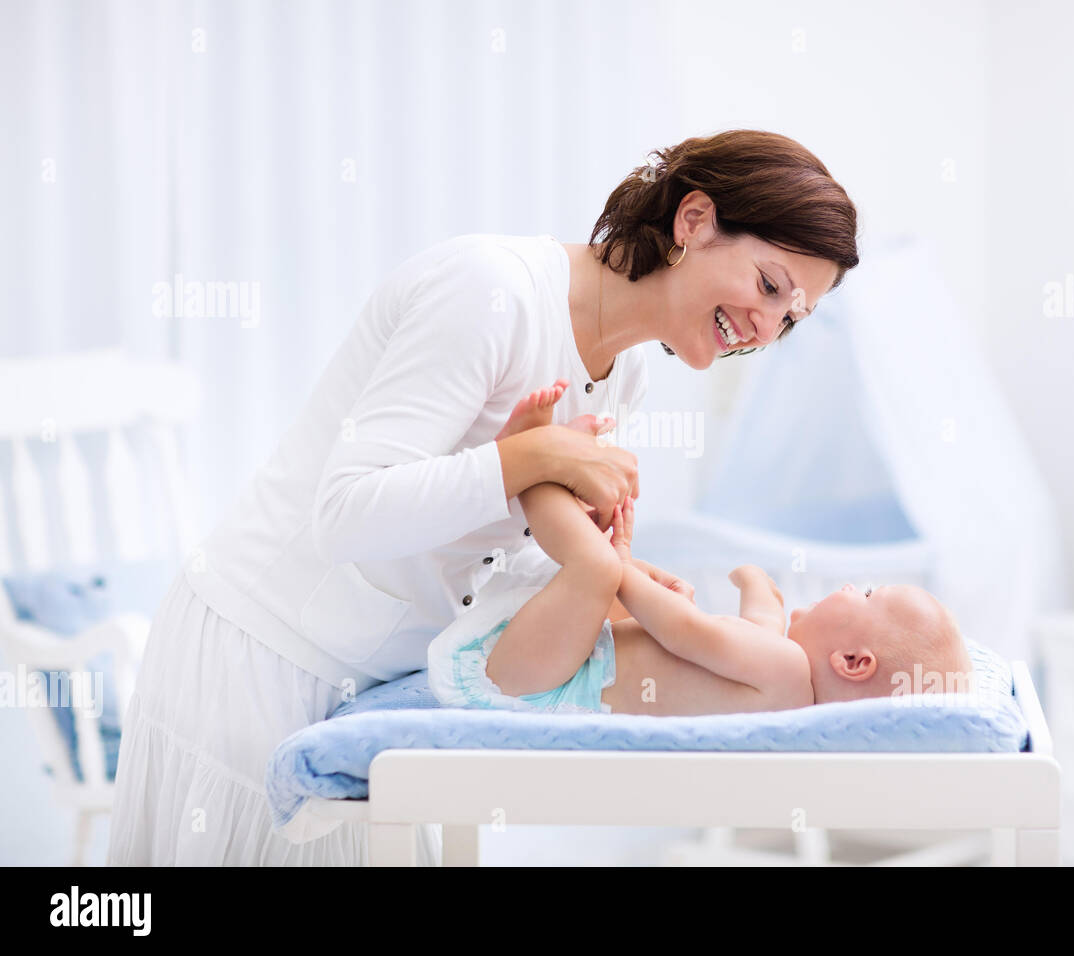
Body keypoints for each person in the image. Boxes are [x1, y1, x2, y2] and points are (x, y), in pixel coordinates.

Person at [108, 129, 859, 865]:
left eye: (792, 316)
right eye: (768, 285)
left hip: (375, 690)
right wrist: (526, 456)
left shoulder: (626, 374)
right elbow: (345, 514)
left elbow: (488, 549)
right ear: (693, 221)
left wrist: (616, 584)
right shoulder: (490, 293)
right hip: (259, 658)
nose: (767, 328)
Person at [428, 382, 972, 718]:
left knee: (596, 567)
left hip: (539, 682)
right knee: (615, 575)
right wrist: (753, 585)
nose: (853, 585)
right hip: (556, 668)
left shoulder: (784, 673)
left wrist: (623, 567)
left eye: (869, 593)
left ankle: (530, 463)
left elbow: (692, 632)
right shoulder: (784, 682)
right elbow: (758, 622)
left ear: (852, 662)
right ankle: (543, 470)